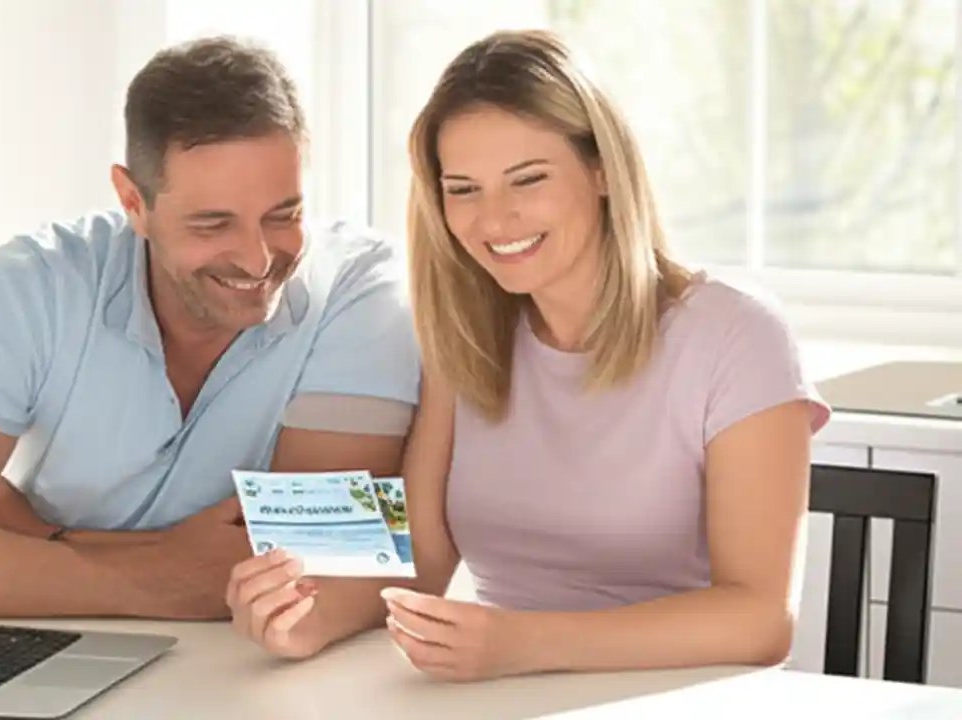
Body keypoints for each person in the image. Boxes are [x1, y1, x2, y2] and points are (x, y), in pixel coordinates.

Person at [226, 29, 831, 680]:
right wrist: (307, 618)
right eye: (463, 189)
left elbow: (761, 620)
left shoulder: (739, 336)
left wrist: (524, 644)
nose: (494, 220)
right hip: (509, 697)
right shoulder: (463, 335)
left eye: (528, 180)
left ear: (602, 169)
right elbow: (421, 559)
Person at [0, 37, 420, 620]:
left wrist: (43, 541)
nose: (257, 260)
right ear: (132, 201)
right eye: (212, 224)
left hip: (258, 662)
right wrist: (159, 577)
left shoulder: (361, 292)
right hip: (51, 639)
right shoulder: (31, 288)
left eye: (284, 215)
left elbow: (320, 569)